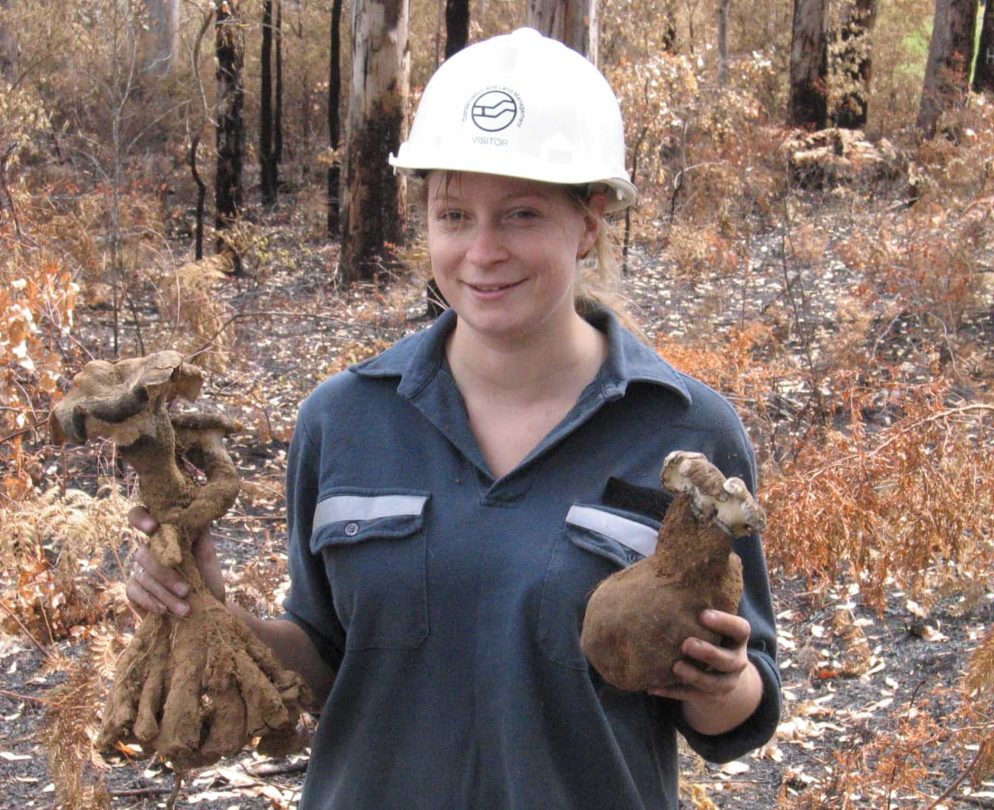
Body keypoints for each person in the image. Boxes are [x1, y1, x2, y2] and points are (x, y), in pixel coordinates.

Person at [127, 27, 781, 809]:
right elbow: (329, 659)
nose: (482, 251)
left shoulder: (685, 432)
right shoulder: (344, 420)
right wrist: (211, 606)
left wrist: (722, 678)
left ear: (591, 220)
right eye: (455, 215)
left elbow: (738, 720)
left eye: (523, 215)